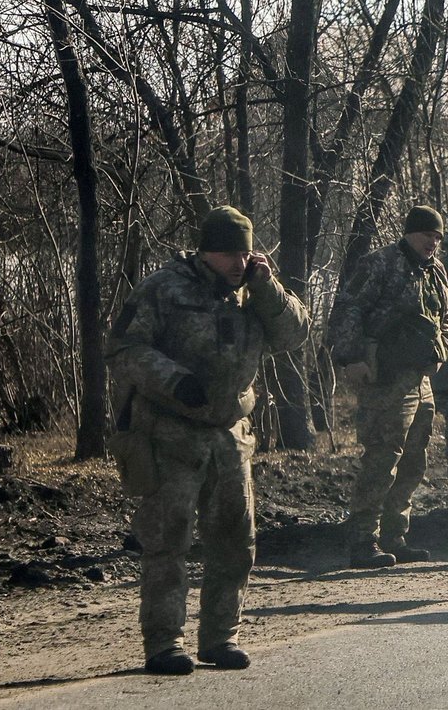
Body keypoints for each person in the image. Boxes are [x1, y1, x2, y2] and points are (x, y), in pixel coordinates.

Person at [105, 205, 311, 675]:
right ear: (205, 252)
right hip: (169, 433)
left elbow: (295, 333)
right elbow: (123, 348)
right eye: (228, 254)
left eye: (244, 253)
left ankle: (221, 638)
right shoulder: (164, 287)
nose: (238, 263)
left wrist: (267, 288)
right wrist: (174, 380)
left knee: (236, 541)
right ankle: (164, 644)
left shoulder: (255, 293)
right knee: (168, 541)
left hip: (230, 434)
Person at [327, 205, 448, 568]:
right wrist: (351, 358)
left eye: (438, 237)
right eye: (428, 234)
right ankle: (363, 540)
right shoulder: (378, 264)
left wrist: (442, 350)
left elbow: (446, 317)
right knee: (383, 459)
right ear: (411, 233)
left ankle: (395, 537)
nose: (434, 242)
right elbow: (348, 309)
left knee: (415, 460)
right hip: (384, 378)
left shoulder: (437, 272)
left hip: (421, 380)